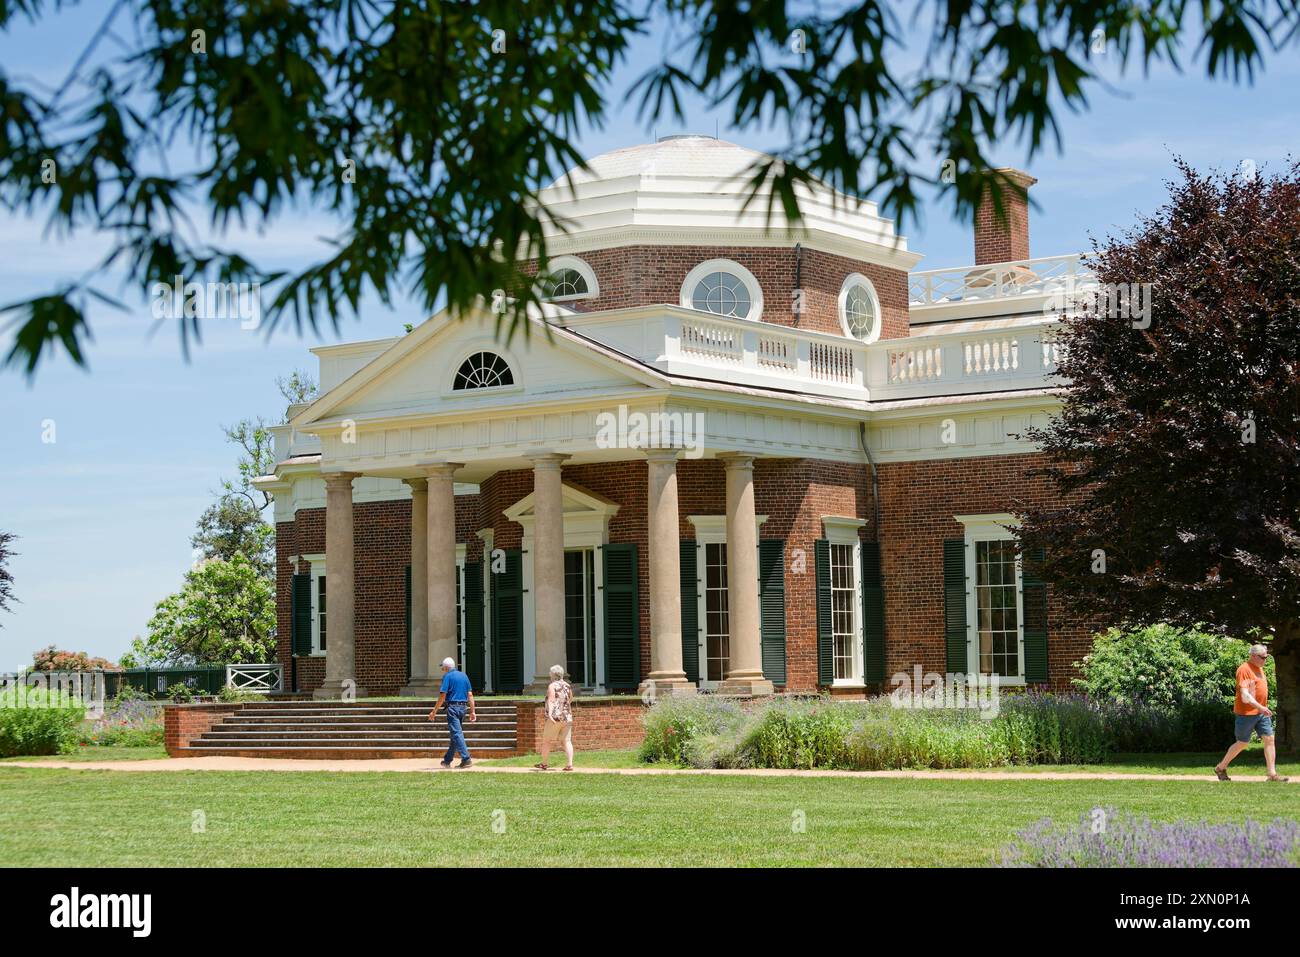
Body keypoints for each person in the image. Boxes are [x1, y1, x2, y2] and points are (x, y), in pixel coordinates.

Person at [1215, 643, 1288, 782]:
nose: (1265, 660)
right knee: (1242, 743)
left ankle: (1272, 774)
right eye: (1262, 657)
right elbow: (1245, 695)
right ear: (1253, 656)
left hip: (1261, 713)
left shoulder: (1260, 669)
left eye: (1266, 657)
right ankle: (1220, 767)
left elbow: (1254, 690)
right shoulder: (1245, 669)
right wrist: (1260, 707)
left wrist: (1261, 708)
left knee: (1269, 739)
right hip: (1246, 713)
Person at [429, 657, 476, 769]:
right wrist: (473, 711)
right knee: (455, 734)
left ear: (446, 667)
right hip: (463, 708)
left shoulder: (447, 676)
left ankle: (466, 759)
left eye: (443, 668)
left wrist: (434, 711)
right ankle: (447, 760)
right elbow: (470, 695)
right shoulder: (464, 676)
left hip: (453, 708)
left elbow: (442, 695)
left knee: (456, 734)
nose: (442, 671)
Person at [535, 664, 574, 771]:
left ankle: (544, 764)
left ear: (553, 674)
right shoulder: (567, 685)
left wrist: (551, 714)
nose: (549, 674)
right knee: (567, 741)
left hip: (555, 717)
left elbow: (551, 700)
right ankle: (570, 764)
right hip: (567, 717)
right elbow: (570, 699)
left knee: (547, 741)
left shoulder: (552, 686)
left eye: (550, 673)